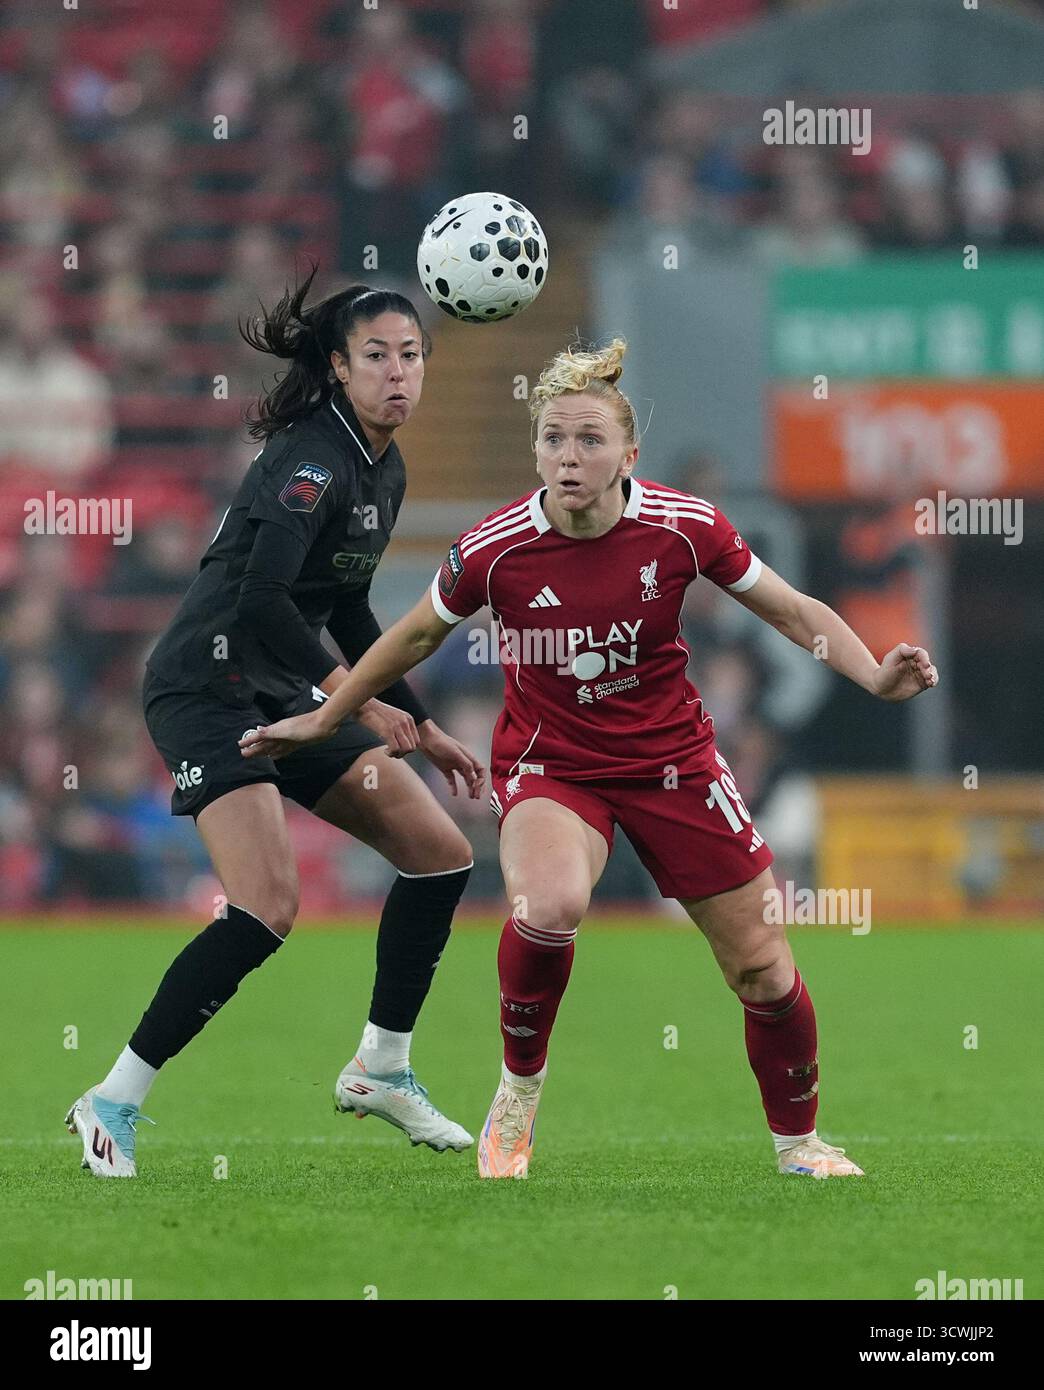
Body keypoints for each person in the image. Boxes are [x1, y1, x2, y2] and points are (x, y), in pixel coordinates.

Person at [240, 339, 939, 1181]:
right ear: (535, 449)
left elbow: (788, 610)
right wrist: (327, 717)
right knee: (552, 903)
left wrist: (872, 671)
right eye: (554, 441)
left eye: (590, 441)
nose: (569, 459)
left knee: (760, 965)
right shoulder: (496, 547)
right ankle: (518, 1095)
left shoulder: (685, 528)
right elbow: (414, 636)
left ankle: (800, 1145)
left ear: (627, 454)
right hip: (553, 766)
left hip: (675, 763)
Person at [66, 271, 486, 1178]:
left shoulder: (386, 465)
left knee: (440, 852)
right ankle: (112, 1099)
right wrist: (355, 701)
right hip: (206, 688)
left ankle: (381, 1068)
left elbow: (349, 610)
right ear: (338, 368)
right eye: (376, 356)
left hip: (292, 687)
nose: (398, 374)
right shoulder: (312, 460)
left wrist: (422, 720)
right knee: (269, 905)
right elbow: (260, 602)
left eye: (411, 356)